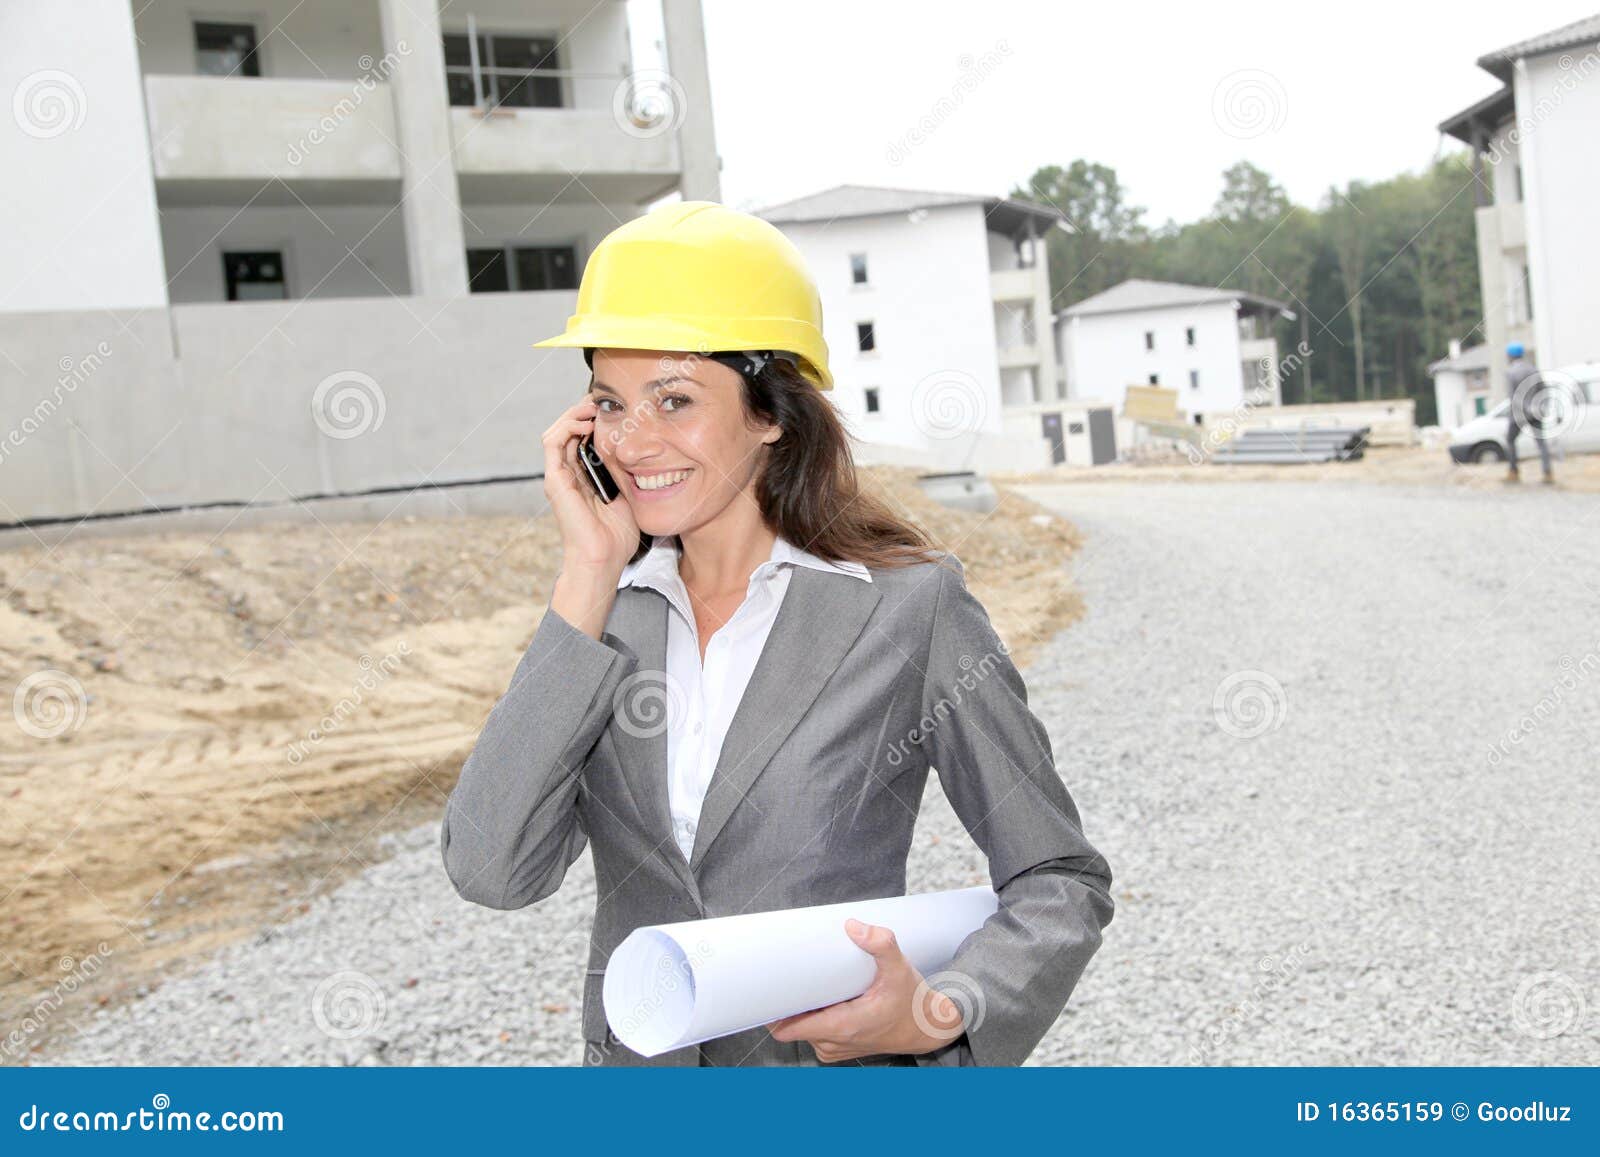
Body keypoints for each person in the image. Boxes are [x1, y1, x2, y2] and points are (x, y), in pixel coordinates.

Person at [438, 201, 1114, 1067]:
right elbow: (492, 869)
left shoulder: (910, 610)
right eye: (610, 403)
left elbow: (1059, 878)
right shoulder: (604, 616)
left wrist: (944, 1010)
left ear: (771, 413)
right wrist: (587, 573)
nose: (634, 440)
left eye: (673, 399)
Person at [1504, 342, 1555, 485]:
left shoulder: (1510, 372)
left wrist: (1522, 409)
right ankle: (1548, 473)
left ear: (1509, 356)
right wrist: (1542, 407)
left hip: (1519, 413)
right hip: (1535, 412)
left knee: (1510, 440)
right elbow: (1543, 390)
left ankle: (1513, 472)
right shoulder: (1533, 369)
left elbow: (1513, 396)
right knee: (1541, 443)